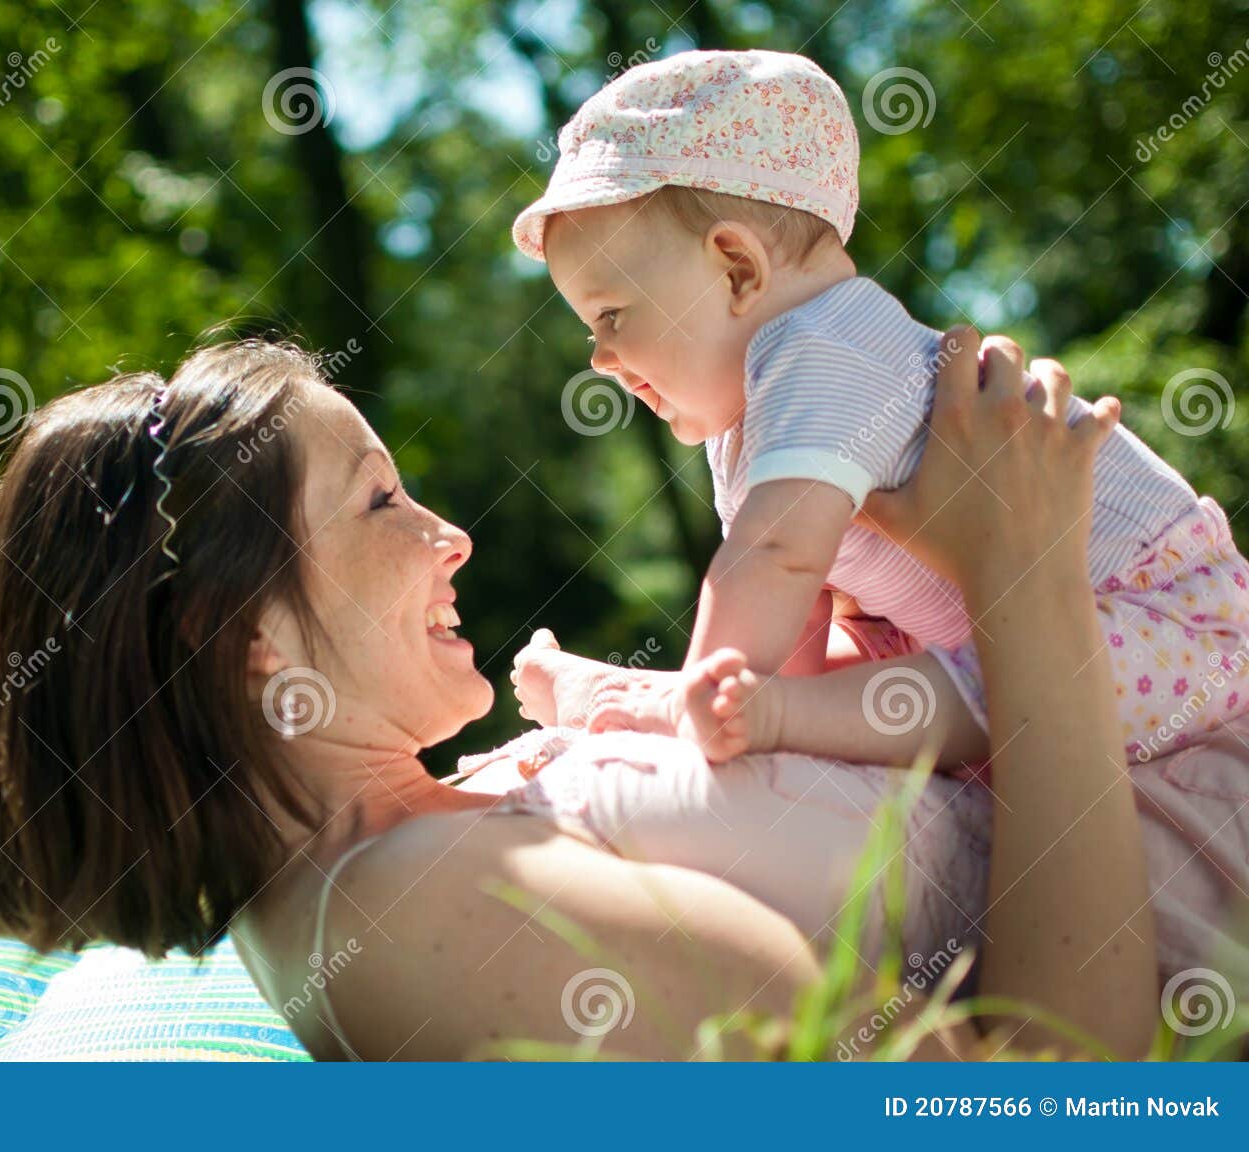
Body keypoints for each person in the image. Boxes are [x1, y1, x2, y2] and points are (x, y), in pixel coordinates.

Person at [0, 334, 1197, 1061]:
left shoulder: (410, 848)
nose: (450, 534)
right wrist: (1026, 582)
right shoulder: (414, 910)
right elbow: (1051, 1096)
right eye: (378, 501)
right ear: (239, 631)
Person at [507, 49, 1249, 776]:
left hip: (1166, 623)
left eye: (610, 316)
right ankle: (676, 704)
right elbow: (789, 601)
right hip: (973, 628)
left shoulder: (820, 343)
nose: (599, 358)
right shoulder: (747, 408)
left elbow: (773, 558)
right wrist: (744, 694)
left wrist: (720, 695)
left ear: (738, 270)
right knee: (857, 674)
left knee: (989, 679)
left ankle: (666, 703)